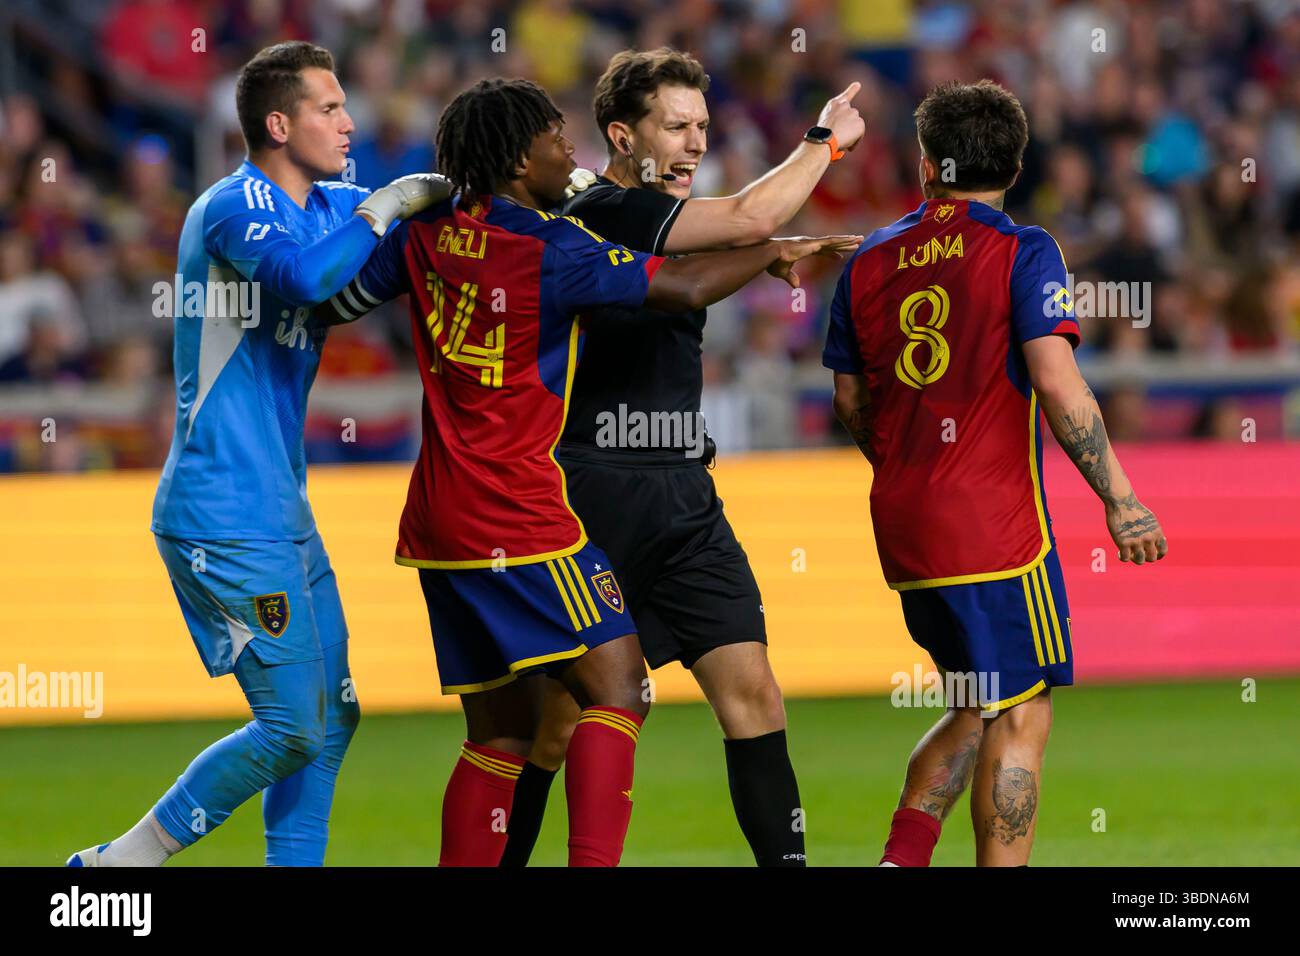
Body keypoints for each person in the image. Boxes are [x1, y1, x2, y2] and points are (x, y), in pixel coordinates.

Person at [319, 76, 860, 866]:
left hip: (435, 519)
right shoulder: (554, 245)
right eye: (552, 139)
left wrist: (390, 203)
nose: (564, 153)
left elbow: (336, 299)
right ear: (516, 157)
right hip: (523, 508)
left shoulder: (424, 234)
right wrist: (772, 250)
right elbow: (678, 284)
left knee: (498, 735)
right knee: (618, 687)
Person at [68, 41, 447, 867]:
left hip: (281, 510)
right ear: (279, 124)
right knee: (291, 726)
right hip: (221, 511)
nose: (350, 123)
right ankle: (121, 862)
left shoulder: (326, 204)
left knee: (334, 716)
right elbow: (312, 279)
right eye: (330, 108)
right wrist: (386, 210)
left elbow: (398, 246)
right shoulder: (232, 207)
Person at [501, 46, 866, 869]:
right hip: (594, 495)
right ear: (622, 137)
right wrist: (823, 143)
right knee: (554, 726)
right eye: (676, 126)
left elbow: (722, 247)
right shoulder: (603, 207)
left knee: (754, 693)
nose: (696, 142)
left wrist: (762, 253)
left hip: (683, 495)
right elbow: (743, 221)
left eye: (702, 125)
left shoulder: (665, 218)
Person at [823, 80, 1168, 866]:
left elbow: (849, 399)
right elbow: (1056, 380)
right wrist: (1121, 498)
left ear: (925, 165)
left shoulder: (868, 259)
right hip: (995, 529)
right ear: (1014, 168)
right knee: (1021, 715)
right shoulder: (1023, 249)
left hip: (903, 522)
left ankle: (898, 859)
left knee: (979, 703)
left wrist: (912, 466)